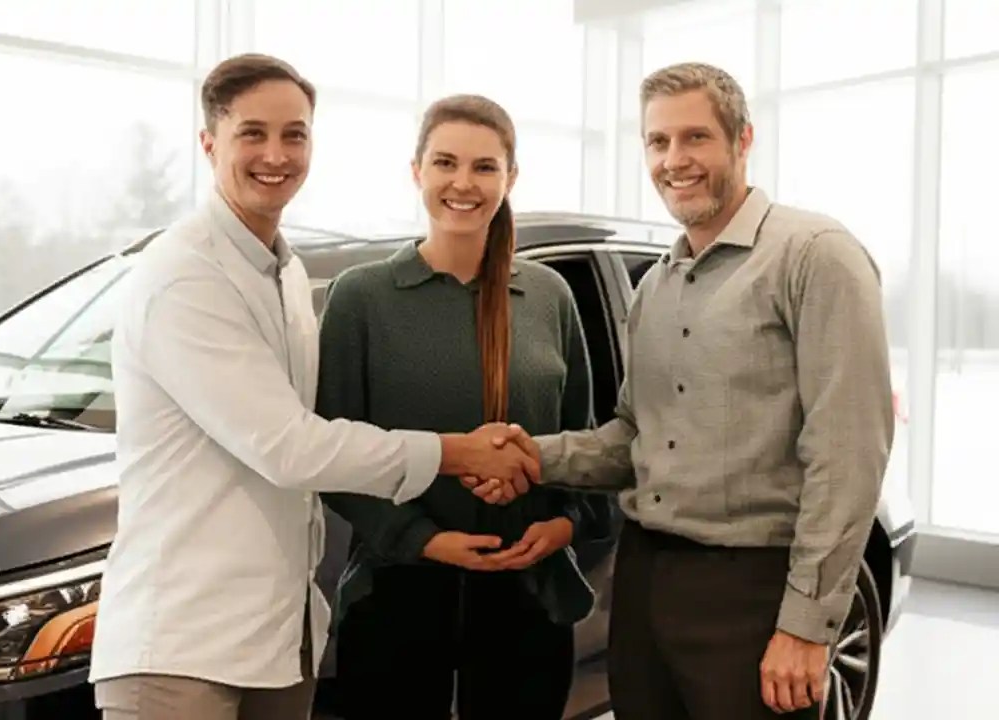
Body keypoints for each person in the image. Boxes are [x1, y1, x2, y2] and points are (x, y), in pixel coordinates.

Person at [87, 54, 540, 720]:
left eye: (294, 134)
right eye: (253, 134)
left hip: (279, 635)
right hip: (183, 645)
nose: (276, 154)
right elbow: (292, 447)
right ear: (210, 143)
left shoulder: (285, 273)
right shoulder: (186, 277)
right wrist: (459, 453)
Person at [474, 61, 894, 719]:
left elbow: (847, 456)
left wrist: (808, 624)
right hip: (642, 581)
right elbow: (632, 439)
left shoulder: (815, 255)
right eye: (658, 142)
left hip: (752, 584)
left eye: (695, 137)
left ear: (742, 140)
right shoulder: (657, 288)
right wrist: (533, 455)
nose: (675, 160)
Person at [315, 94, 615, 720]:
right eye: (445, 162)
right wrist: (424, 540)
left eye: (485, 167)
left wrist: (565, 523)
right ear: (416, 170)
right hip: (397, 592)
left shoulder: (547, 296)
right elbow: (333, 456)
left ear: (510, 178)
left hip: (530, 594)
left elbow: (584, 445)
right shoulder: (361, 299)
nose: (463, 183)